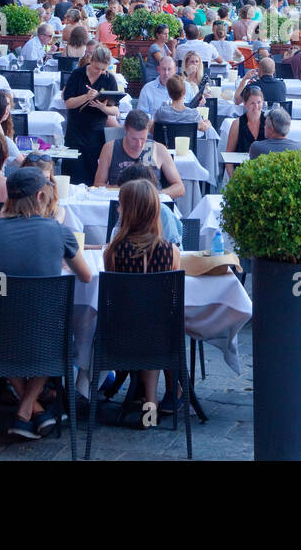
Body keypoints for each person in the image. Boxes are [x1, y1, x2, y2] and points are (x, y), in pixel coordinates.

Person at [0, 167, 91, 438]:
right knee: (52, 336)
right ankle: (31, 409)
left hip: (0, 340)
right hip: (49, 341)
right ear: (40, 196)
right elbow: (85, 275)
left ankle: (27, 408)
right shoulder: (58, 232)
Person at [103, 179, 182, 415]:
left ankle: (148, 399)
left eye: (120, 205)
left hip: (121, 334)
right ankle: (152, 400)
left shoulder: (113, 252)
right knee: (156, 322)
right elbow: (173, 298)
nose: (117, 209)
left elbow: (114, 295)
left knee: (142, 323)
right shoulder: (170, 251)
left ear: (128, 211)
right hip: (160, 336)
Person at [95, 110, 186, 201]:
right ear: (125, 130)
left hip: (151, 204)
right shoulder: (110, 148)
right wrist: (127, 191)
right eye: (134, 139)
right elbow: (98, 185)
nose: (139, 144)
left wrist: (156, 194)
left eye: (143, 138)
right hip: (121, 202)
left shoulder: (159, 149)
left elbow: (180, 188)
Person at [62, 45, 121, 185]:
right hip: (76, 132)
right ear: (91, 61)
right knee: (73, 175)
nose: (100, 72)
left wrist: (103, 107)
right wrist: (86, 97)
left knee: (93, 176)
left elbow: (116, 110)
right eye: (97, 68)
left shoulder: (109, 79)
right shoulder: (78, 75)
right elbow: (68, 103)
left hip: (97, 134)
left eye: (103, 69)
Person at [226, 86, 266, 165]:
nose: (256, 107)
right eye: (252, 103)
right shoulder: (237, 124)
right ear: (245, 103)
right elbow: (228, 156)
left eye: (259, 102)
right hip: (241, 171)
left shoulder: (269, 122)